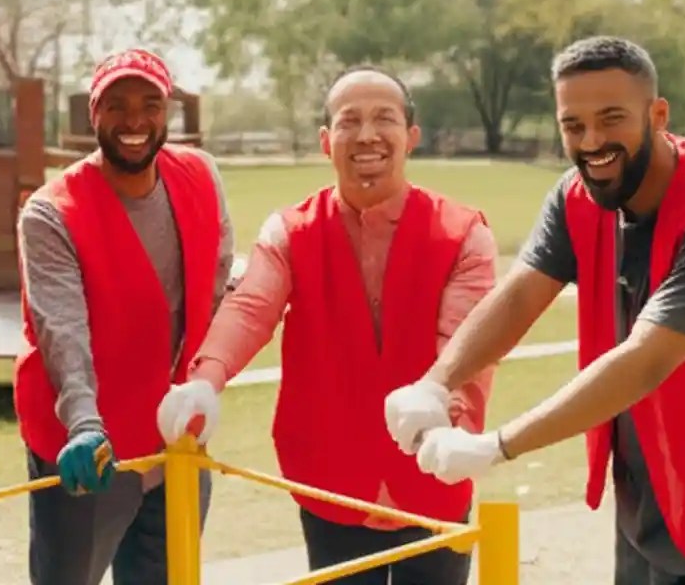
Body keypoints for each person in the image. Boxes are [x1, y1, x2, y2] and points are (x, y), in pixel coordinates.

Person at [386, 35, 685, 584]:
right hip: (652, 497)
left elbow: (645, 361)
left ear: (657, 114)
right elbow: (520, 296)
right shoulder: (577, 196)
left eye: (612, 119)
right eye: (573, 125)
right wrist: (436, 383)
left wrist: (498, 447)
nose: (592, 141)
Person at [156, 66, 498, 584]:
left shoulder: (465, 233)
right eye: (349, 120)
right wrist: (206, 380)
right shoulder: (291, 230)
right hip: (329, 478)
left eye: (384, 118)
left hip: (434, 466)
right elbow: (251, 306)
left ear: (411, 137)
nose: (366, 134)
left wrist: (448, 424)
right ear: (325, 140)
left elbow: (466, 345)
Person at [13, 48, 235, 585]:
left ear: (168, 112)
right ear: (94, 114)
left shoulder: (200, 175)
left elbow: (216, 280)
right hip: (89, 446)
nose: (134, 120)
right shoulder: (51, 211)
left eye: (150, 103)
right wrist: (86, 424)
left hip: (178, 437)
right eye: (116, 105)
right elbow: (61, 328)